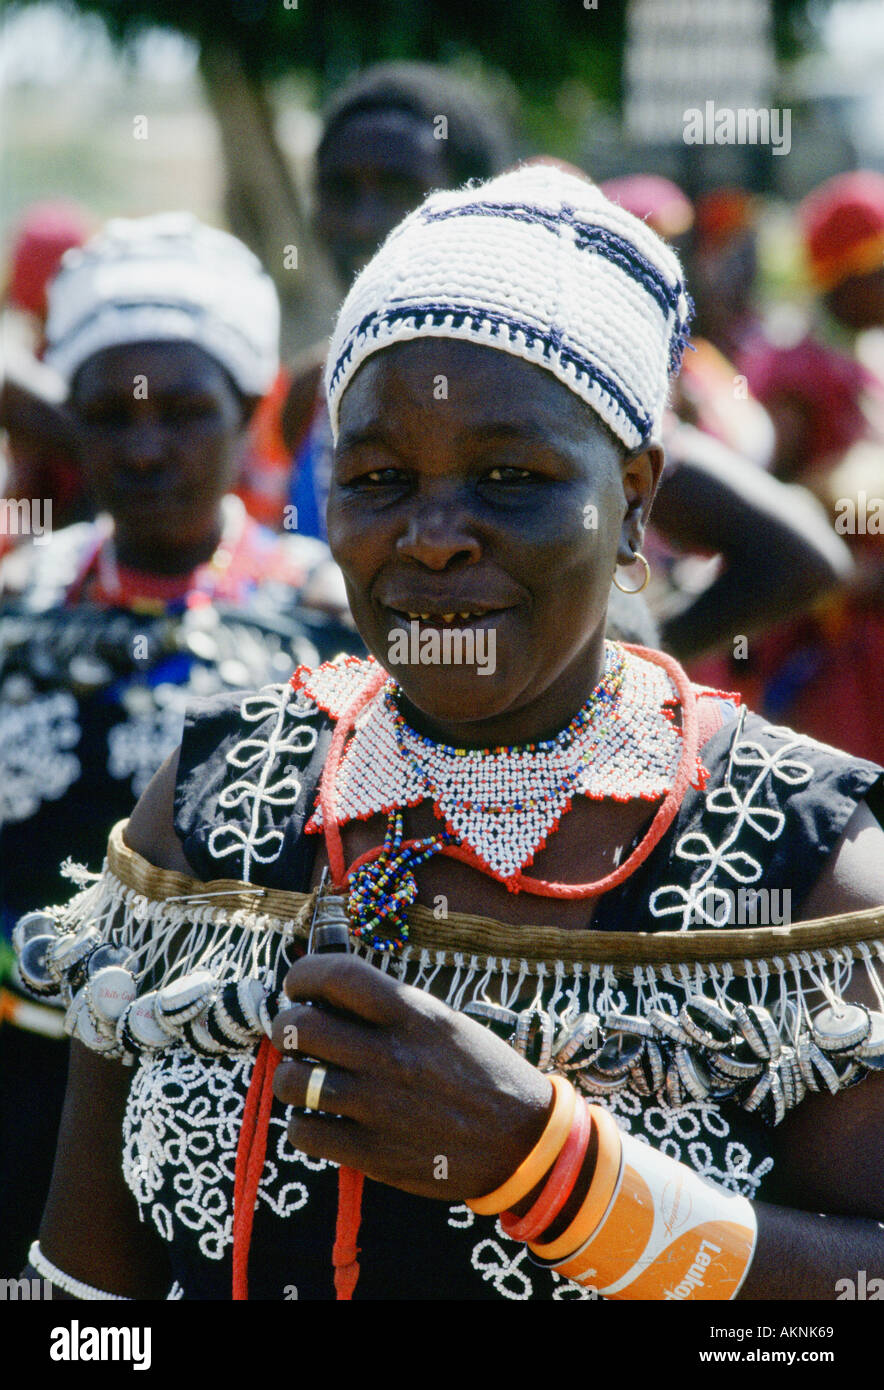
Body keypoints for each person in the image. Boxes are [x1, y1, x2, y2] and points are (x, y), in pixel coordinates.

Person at [19, 167, 884, 1302]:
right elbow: (83, 1300)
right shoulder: (208, 806)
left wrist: (550, 1168)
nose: (431, 538)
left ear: (631, 500)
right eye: (378, 477)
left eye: (509, 476)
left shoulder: (795, 858)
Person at [0, 212, 354, 1273]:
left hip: (242, 1091)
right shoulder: (14, 603)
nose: (146, 447)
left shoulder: (331, 618)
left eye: (187, 413)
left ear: (250, 413)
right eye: (108, 415)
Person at [236, 62, 513, 539]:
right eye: (340, 189)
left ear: (474, 200)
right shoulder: (312, 396)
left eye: (400, 189)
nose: (364, 222)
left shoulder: (535, 385)